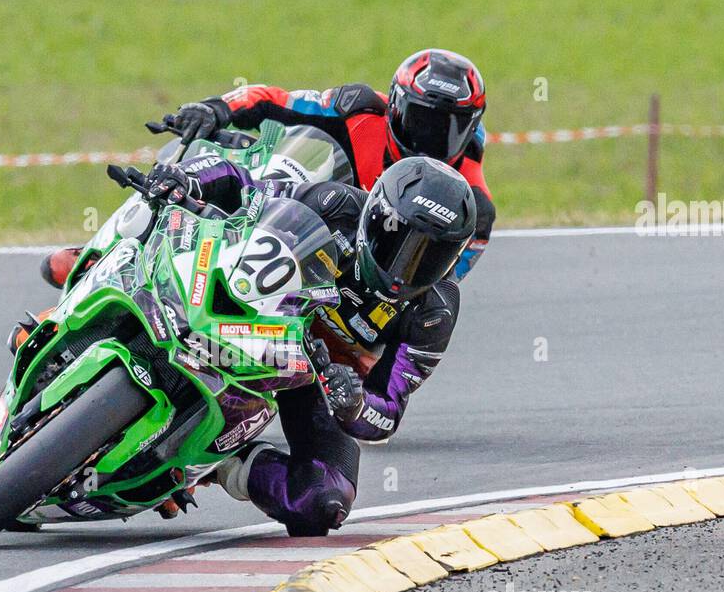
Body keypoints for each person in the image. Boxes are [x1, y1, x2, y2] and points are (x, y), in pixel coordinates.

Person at [143, 151, 477, 535]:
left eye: (431, 255)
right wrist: (188, 179)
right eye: (398, 239)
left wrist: (353, 403)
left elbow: (387, 413)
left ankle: (219, 464)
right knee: (148, 219)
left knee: (322, 500)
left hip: (311, 377)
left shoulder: (433, 312)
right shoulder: (335, 205)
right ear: (376, 215)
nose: (407, 268)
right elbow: (245, 183)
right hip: (242, 318)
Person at [41, 48, 495, 289]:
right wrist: (217, 109)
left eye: (446, 129)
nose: (430, 140)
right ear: (395, 105)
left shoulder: (471, 205)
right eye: (421, 120)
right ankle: (105, 258)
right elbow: (277, 101)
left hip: (366, 284)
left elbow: (436, 284)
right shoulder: (359, 108)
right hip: (304, 216)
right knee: (215, 156)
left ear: (470, 128)